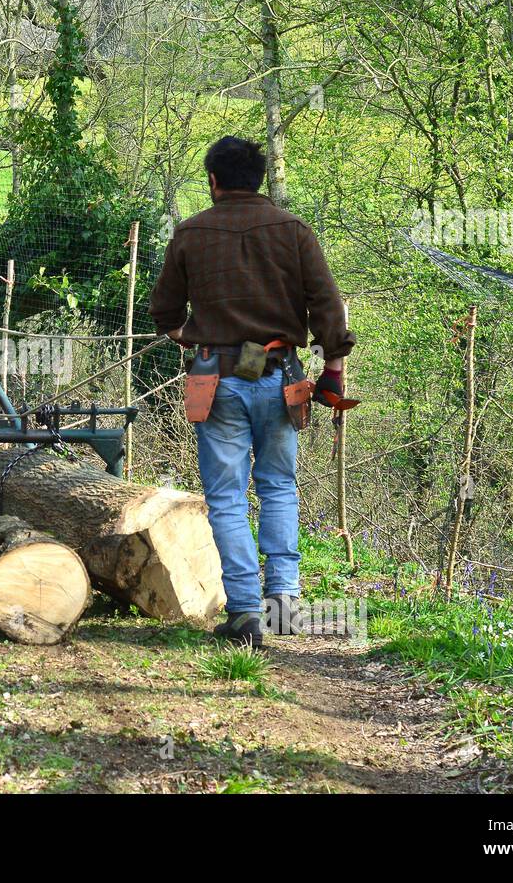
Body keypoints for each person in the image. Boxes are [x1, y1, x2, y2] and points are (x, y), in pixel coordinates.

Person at [149, 137, 355, 648]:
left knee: (226, 497)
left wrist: (197, 343)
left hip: (216, 378)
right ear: (259, 179)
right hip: (282, 375)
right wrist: (332, 369)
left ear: (213, 181)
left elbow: (166, 313)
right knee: (279, 486)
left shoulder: (190, 232)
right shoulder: (294, 231)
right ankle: (284, 603)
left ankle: (243, 612)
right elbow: (329, 307)